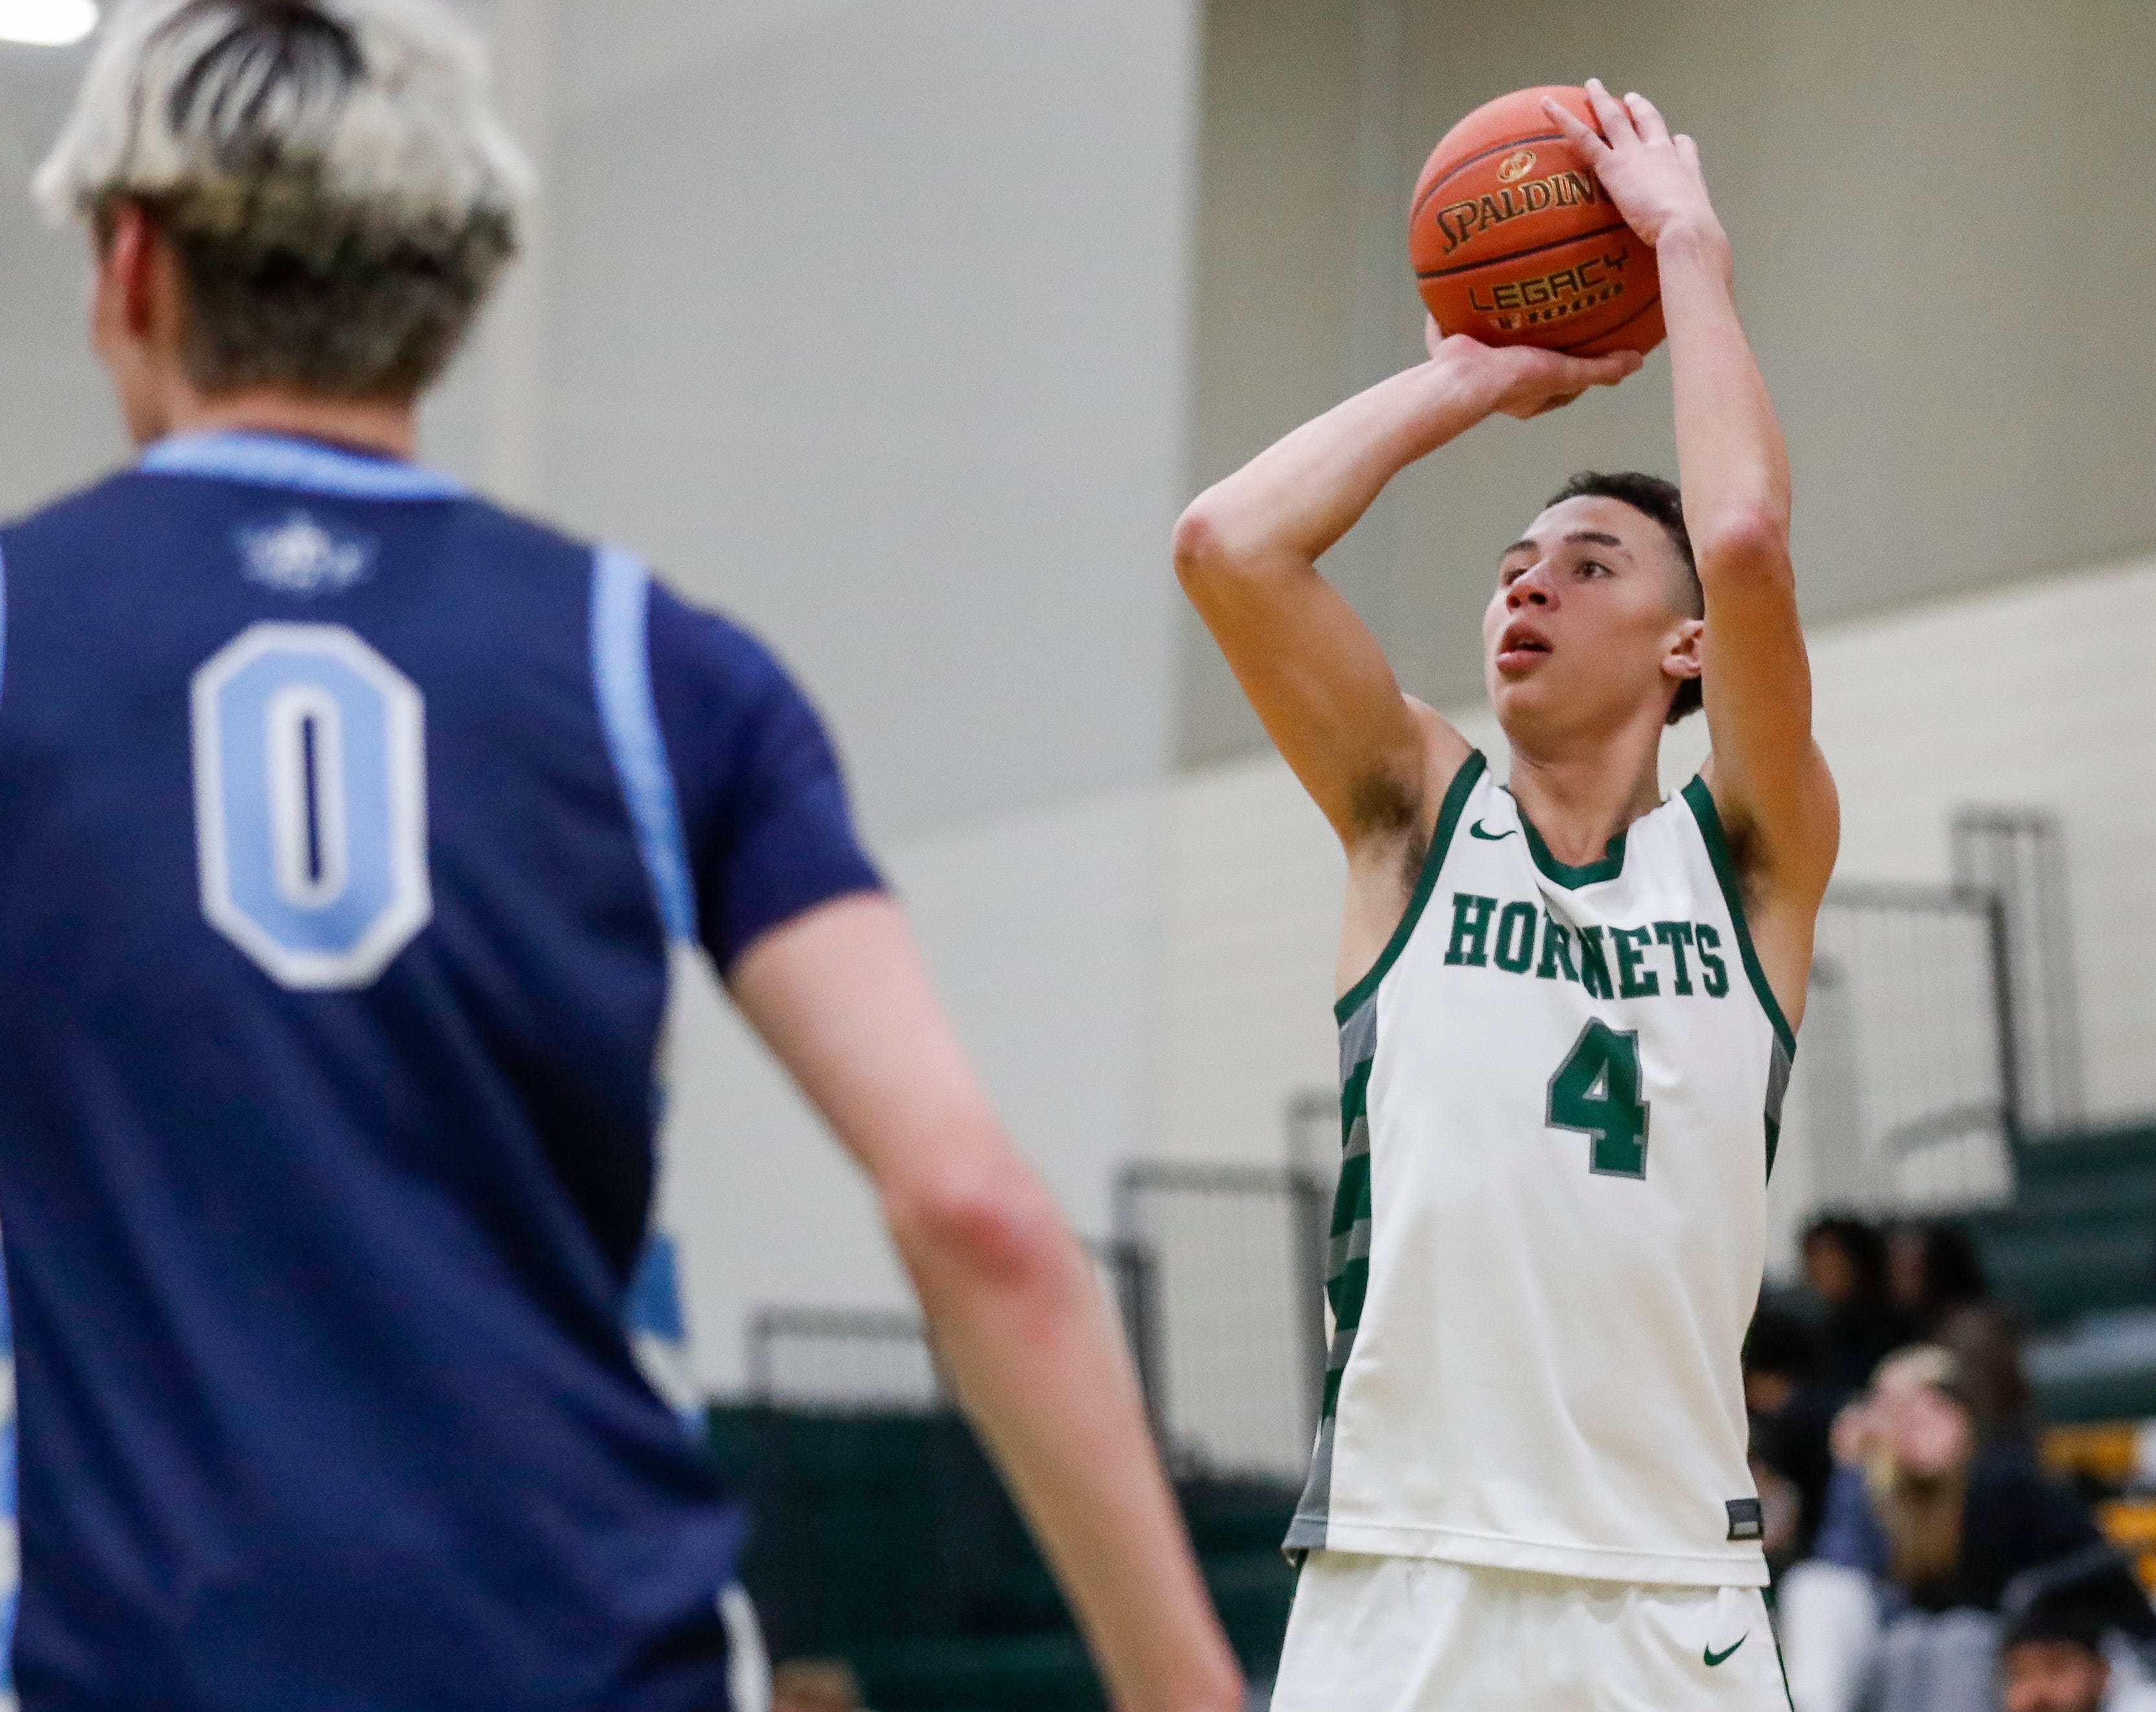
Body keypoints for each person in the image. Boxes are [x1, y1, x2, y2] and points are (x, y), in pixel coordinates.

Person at [0, 5, 1246, 1711]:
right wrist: (1184, 1685)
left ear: (128, 263)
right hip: (590, 1655)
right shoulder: (648, 665)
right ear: (452, 294)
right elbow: (972, 1202)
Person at [1175, 78, 1839, 1711]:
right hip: (1403, 1569)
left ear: (1684, 650)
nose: (1527, 579)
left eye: (1589, 563)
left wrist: (1684, 248)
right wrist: (1464, 379)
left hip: (1668, 1584)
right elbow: (1226, 545)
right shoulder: (1411, 814)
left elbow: (1743, 532)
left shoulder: (1749, 859)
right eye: (1509, 566)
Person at [1782, 1346, 2109, 1712]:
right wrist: (1850, 1471)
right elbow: (1848, 1571)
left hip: (2034, 1638)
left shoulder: (2002, 1474)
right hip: (1919, 1645)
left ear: (1959, 1413)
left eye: (1925, 1410)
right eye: (1894, 1414)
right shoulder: (1882, 1488)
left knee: (1958, 1638)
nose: (1909, 1427)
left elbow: (2014, 1585)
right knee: (1822, 1590)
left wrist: (1963, 1477)